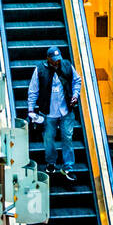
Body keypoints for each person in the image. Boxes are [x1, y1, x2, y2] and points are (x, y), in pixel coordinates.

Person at [27, 45, 82, 182]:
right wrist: (31, 109)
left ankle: (68, 167)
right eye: (54, 60)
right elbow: (33, 91)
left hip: (66, 111)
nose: (57, 62)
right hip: (48, 112)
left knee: (67, 138)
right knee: (48, 139)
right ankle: (51, 162)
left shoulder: (67, 65)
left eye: (58, 59)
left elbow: (77, 81)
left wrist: (75, 95)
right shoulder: (39, 70)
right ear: (48, 59)